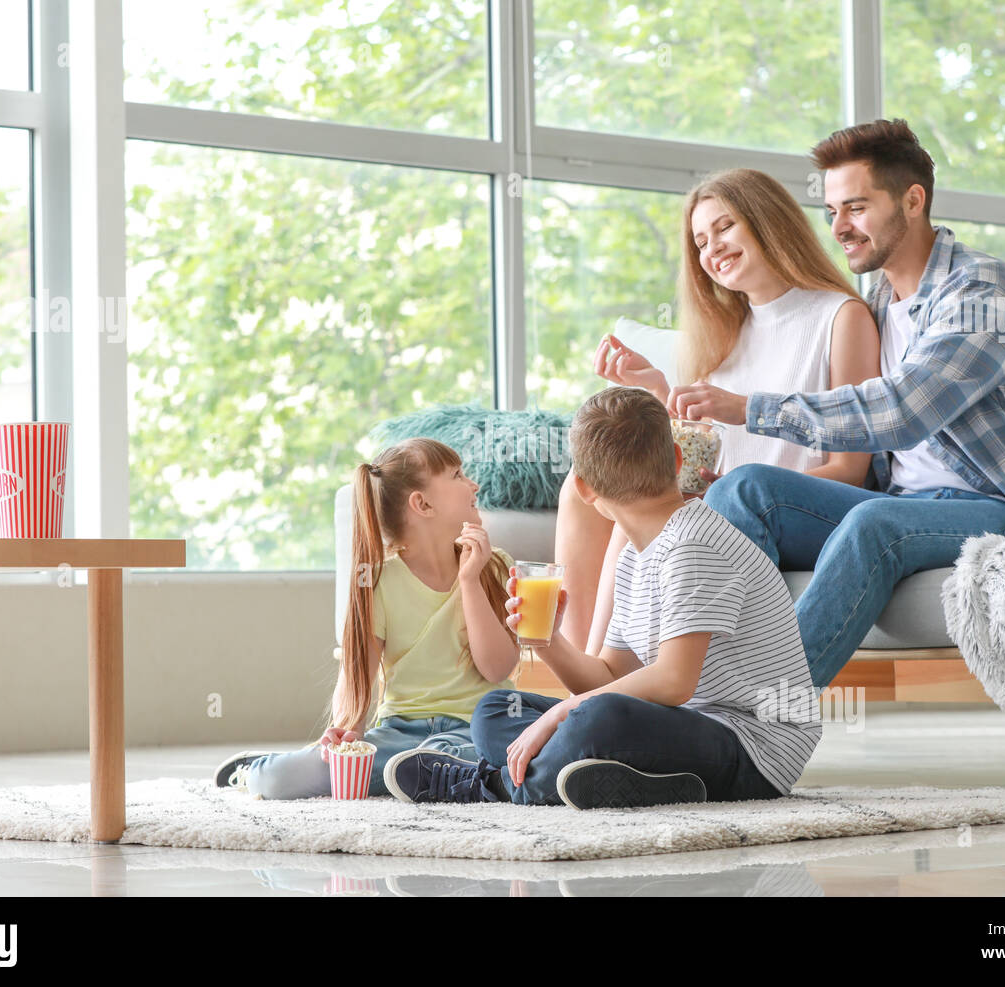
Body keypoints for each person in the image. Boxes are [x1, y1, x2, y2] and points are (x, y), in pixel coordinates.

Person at [681, 119, 1005, 689]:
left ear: (912, 200)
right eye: (833, 211)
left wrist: (750, 408)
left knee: (874, 522)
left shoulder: (983, 290)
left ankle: (761, 714)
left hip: (1001, 505)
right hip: (904, 502)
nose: (840, 227)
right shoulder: (880, 302)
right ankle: (693, 685)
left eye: (857, 208)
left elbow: (903, 409)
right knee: (743, 490)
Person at [381, 386, 822, 809]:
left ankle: (488, 784)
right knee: (495, 708)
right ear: (675, 457)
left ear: (585, 490)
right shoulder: (634, 554)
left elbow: (672, 682)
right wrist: (547, 642)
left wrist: (561, 714)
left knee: (597, 720)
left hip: (753, 749)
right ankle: (637, 783)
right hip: (680, 726)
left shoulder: (694, 546)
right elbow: (608, 676)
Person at [555, 168, 881, 655]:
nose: (712, 249)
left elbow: (851, 470)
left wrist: (735, 488)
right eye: (701, 242)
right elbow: (699, 463)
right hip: (722, 502)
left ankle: (604, 677)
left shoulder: (840, 317)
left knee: (636, 508)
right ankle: (582, 667)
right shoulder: (723, 334)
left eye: (724, 228)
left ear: (767, 220)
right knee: (586, 489)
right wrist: (657, 388)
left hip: (790, 511)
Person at [212, 438, 520, 798]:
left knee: (504, 753)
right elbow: (358, 674)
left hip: (478, 729)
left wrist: (469, 581)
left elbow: (497, 669)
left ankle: (434, 770)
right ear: (422, 504)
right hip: (400, 735)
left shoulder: (494, 566)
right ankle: (258, 770)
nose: (474, 484)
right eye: (457, 475)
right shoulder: (378, 583)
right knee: (283, 780)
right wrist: (347, 732)